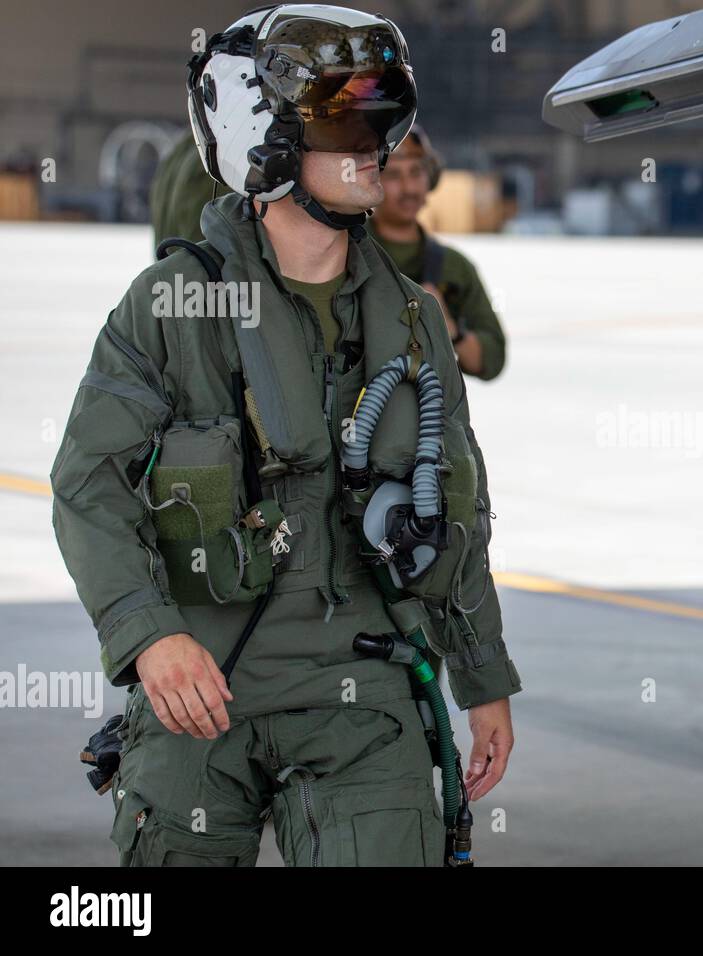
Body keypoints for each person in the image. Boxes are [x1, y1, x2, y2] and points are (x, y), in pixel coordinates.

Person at [51, 4, 520, 867]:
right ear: (260, 142)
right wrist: (149, 635)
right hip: (200, 687)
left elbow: (458, 509)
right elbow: (89, 486)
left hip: (364, 695)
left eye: (384, 119)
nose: (376, 146)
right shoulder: (171, 309)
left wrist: (483, 677)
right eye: (346, 121)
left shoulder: (415, 321)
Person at [368, 126, 507, 381]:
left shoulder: (452, 267)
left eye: (416, 172)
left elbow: (492, 359)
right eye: (394, 175)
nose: (409, 187)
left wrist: (450, 328)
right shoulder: (346, 252)